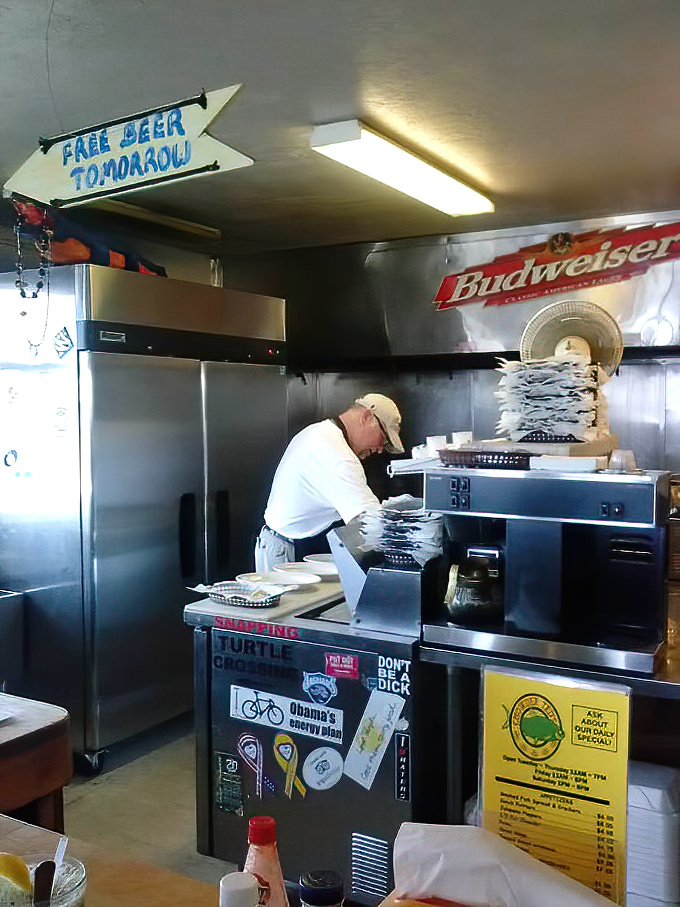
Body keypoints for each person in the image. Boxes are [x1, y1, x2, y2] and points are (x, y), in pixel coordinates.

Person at [255, 393, 404, 571]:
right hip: (286, 552)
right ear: (366, 417)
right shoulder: (335, 453)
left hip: (288, 543)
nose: (380, 449)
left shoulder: (320, 431)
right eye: (383, 437)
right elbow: (370, 520)